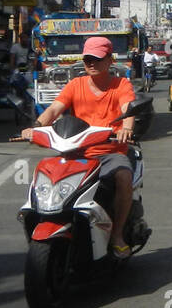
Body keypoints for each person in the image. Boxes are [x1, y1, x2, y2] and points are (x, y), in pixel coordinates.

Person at [22, 37, 137, 259]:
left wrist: (126, 128)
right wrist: (35, 127)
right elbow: (54, 111)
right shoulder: (75, 85)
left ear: (109, 60)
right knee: (46, 173)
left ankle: (117, 235)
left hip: (109, 152)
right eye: (87, 59)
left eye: (96, 58)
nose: (90, 63)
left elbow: (128, 110)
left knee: (123, 176)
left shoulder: (121, 85)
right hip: (76, 153)